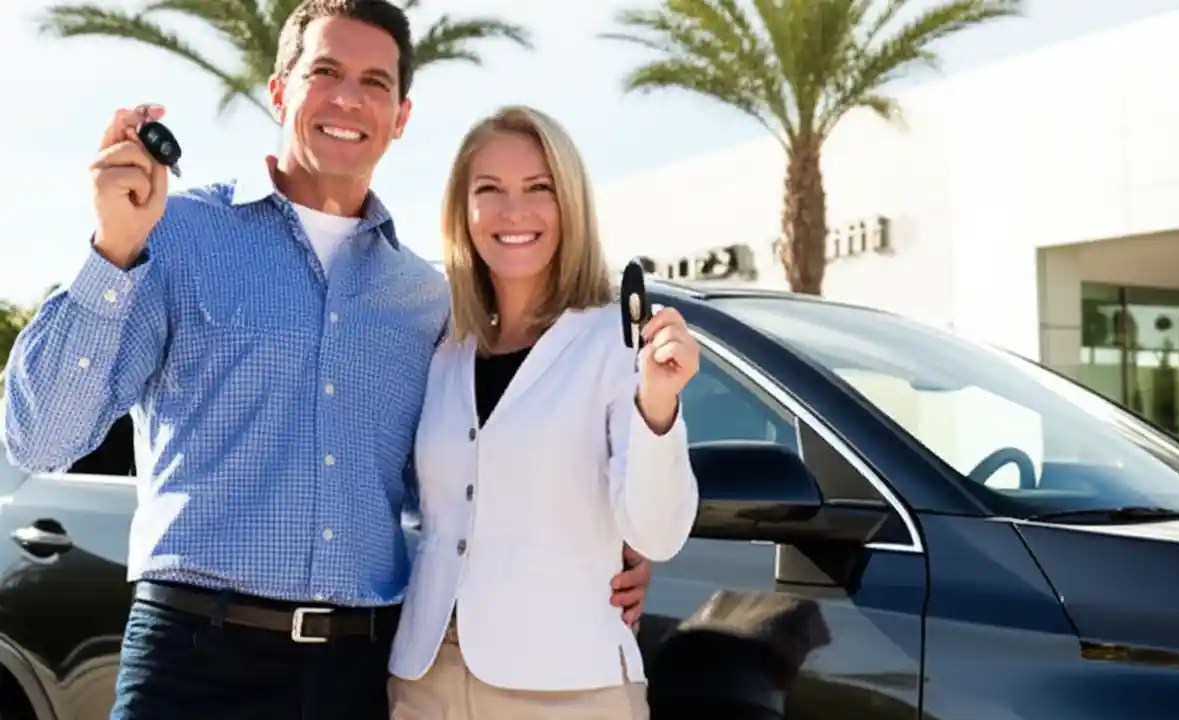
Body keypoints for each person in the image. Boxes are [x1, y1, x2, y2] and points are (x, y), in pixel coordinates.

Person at [0, 2, 651, 718]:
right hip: (195, 662)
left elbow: (463, 481)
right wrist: (112, 248)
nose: (348, 99)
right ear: (280, 90)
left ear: (401, 116)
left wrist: (605, 543)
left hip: (358, 670)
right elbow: (39, 438)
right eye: (326, 72)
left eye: (375, 82)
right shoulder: (173, 234)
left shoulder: (425, 299)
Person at [385, 105, 700, 719]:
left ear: (571, 204)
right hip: (427, 681)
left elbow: (656, 534)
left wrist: (658, 406)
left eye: (539, 189)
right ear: (463, 210)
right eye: (489, 191)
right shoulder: (445, 348)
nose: (514, 212)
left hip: (569, 687)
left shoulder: (617, 340)